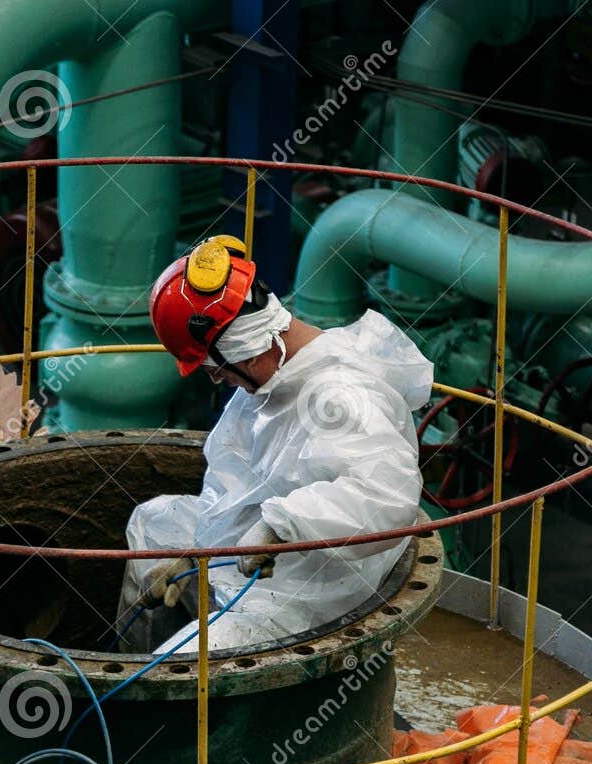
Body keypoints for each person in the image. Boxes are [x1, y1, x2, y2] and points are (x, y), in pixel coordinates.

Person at [121, 235, 432, 653]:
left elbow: (388, 498)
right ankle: (128, 670)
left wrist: (283, 523)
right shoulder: (276, 380)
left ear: (245, 352)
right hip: (265, 554)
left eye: (216, 369)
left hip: (308, 588)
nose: (217, 379)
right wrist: (199, 552)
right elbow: (233, 482)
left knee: (176, 664)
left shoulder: (341, 396)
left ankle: (154, 703)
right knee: (152, 525)